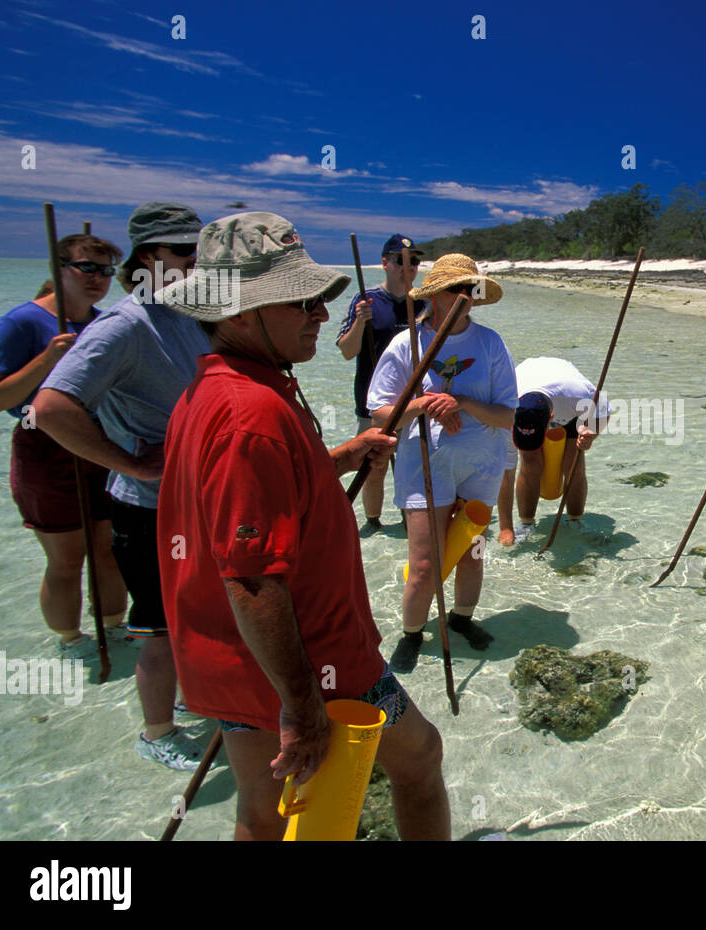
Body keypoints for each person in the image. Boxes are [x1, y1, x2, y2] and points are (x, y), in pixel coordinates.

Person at [155, 212, 448, 840]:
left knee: (262, 819)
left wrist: (339, 458)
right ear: (236, 313)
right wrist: (303, 708)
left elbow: (245, 509)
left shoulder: (214, 389)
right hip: (317, 661)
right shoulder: (251, 413)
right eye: (302, 300)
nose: (321, 313)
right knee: (420, 759)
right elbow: (254, 582)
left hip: (232, 662)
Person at [35, 202, 213, 771]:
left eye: (201, 251)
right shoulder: (124, 325)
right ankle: (156, 732)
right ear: (149, 257)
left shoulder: (193, 313)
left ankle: (196, 698)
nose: (197, 261)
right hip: (148, 509)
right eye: (186, 252)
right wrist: (132, 465)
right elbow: (52, 407)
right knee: (157, 629)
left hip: (197, 500)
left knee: (196, 614)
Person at [0, 233, 128, 660]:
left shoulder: (104, 322)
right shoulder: (22, 322)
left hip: (102, 443)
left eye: (105, 271)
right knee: (65, 558)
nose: (98, 278)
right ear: (59, 267)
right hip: (44, 447)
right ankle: (70, 641)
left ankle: (115, 632)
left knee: (109, 549)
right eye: (87, 268)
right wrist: (47, 360)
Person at [368, 254, 517, 672]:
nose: (468, 297)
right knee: (423, 564)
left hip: (482, 465)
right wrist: (424, 404)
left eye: (473, 290)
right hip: (424, 465)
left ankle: (461, 618)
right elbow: (380, 411)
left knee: (473, 552)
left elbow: (509, 415)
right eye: (460, 289)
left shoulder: (490, 343)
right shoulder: (407, 343)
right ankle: (412, 634)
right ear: (437, 295)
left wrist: (462, 402)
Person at [337, 235, 427, 530]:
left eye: (413, 260)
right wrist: (361, 322)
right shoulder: (366, 300)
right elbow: (348, 352)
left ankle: (410, 520)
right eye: (400, 260)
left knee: (412, 466)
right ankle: (373, 523)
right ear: (385, 263)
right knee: (372, 467)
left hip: (415, 403)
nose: (408, 266)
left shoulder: (425, 302)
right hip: (372, 403)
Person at [497, 356, 608, 545]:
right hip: (529, 388)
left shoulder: (577, 393)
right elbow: (506, 474)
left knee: (573, 462)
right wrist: (505, 528)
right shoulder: (505, 404)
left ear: (551, 418)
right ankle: (526, 524)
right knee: (530, 461)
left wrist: (590, 436)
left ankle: (575, 520)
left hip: (571, 411)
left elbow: (604, 411)